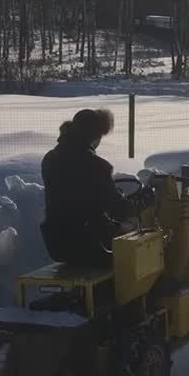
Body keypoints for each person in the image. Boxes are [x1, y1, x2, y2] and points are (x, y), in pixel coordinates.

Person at [41, 108, 144, 267]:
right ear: (94, 136)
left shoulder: (49, 159)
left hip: (56, 241)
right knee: (141, 237)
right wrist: (139, 205)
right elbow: (117, 209)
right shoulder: (96, 166)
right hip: (92, 242)